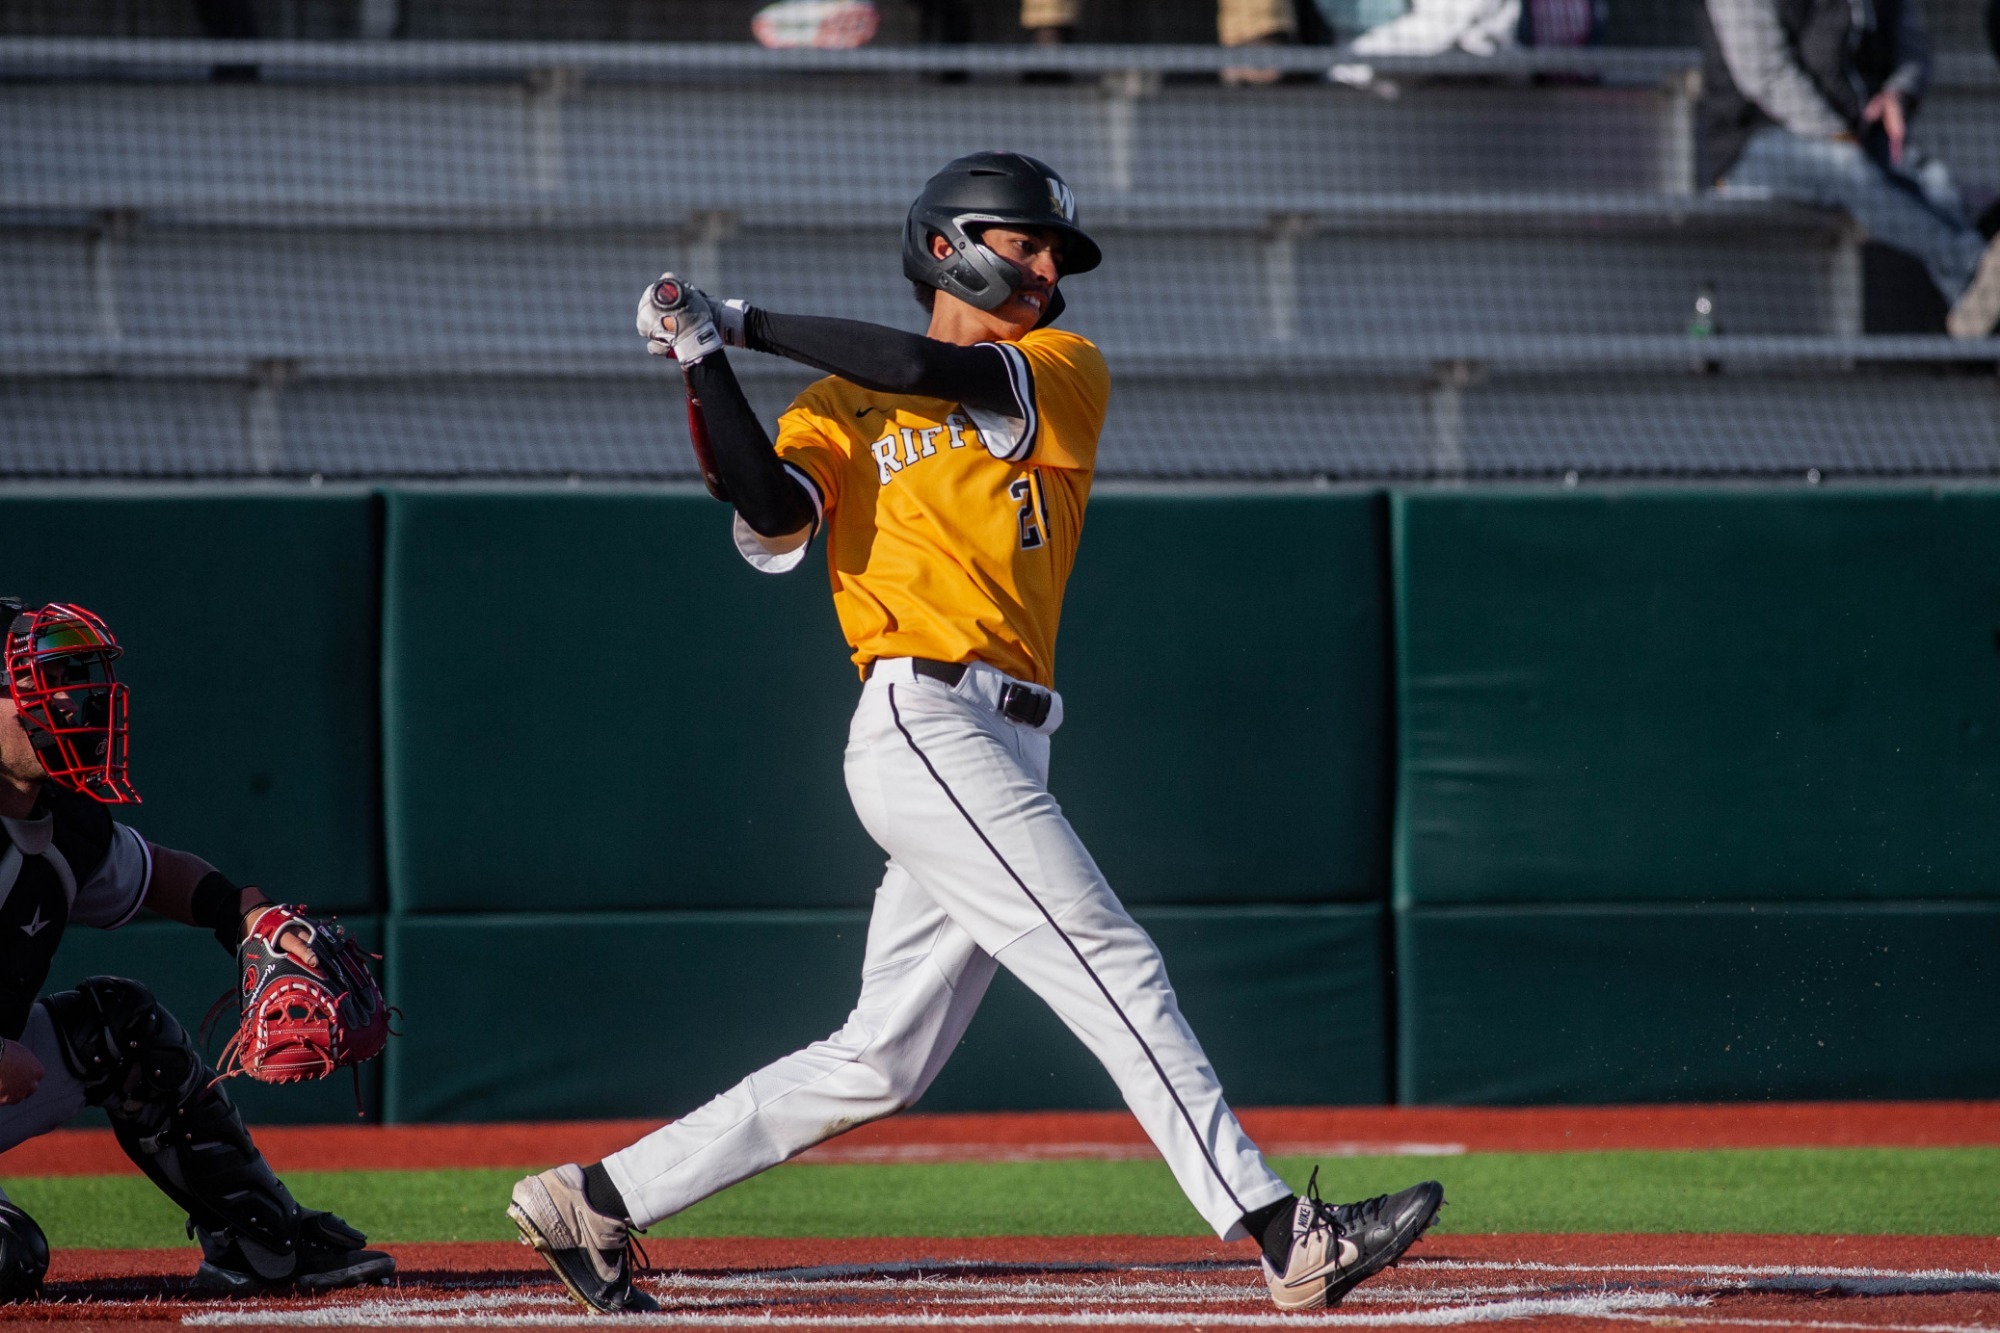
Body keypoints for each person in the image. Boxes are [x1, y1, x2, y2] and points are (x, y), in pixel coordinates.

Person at [507, 151, 1444, 1316]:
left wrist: (738, 318)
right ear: (950, 243)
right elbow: (764, 505)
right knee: (1113, 959)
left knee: (879, 1059)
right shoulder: (831, 409)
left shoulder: (1057, 365)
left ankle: (592, 1198)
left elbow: (920, 365)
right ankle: (1278, 1229)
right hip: (922, 717)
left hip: (1002, 735)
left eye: (1053, 252)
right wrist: (701, 362)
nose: (1049, 268)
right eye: (1026, 243)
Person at [0, 600, 393, 1300]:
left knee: (121, 1026)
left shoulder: (63, 822)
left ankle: (262, 1243)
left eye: (70, 678)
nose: (68, 700)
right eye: (38, 684)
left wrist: (251, 919)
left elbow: (163, 873)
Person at [1699, 0, 2000, 338]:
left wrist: (1898, 93)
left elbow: (1913, 50)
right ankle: (1977, 273)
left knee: (1935, 180)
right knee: (1850, 171)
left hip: (1858, 139)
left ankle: (1976, 316)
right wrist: (1838, 134)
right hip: (1755, 147)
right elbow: (1765, 73)